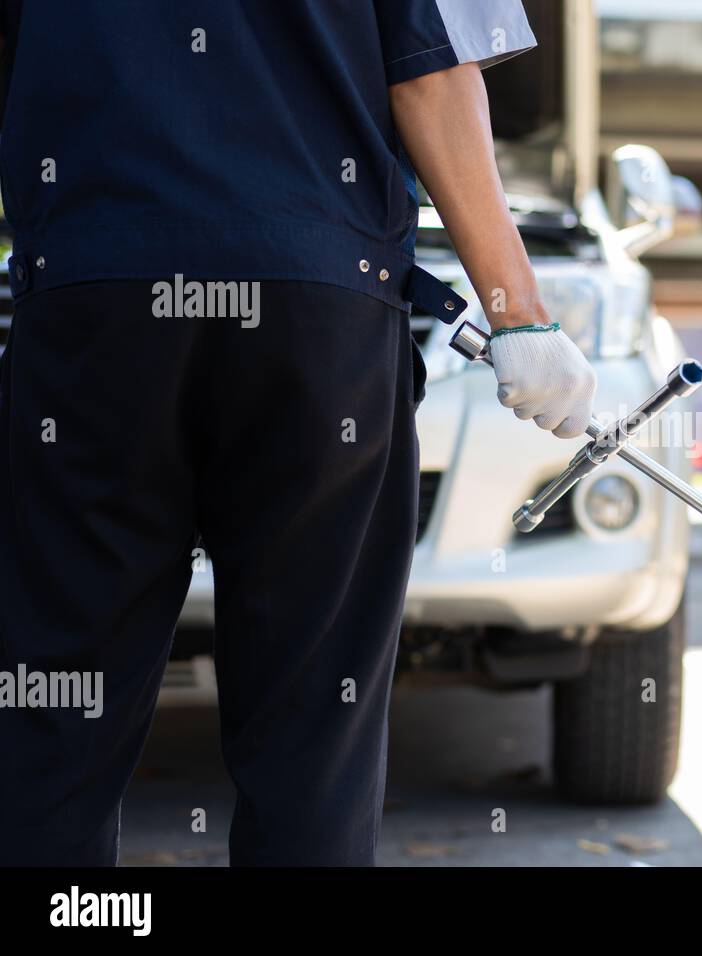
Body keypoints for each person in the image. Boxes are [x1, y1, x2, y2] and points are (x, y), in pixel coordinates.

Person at [0, 0, 596, 866]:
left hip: (98, 300)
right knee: (315, 715)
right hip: (316, 313)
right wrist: (519, 314)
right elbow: (433, 73)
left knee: (58, 707)